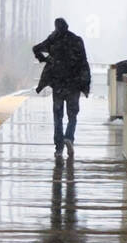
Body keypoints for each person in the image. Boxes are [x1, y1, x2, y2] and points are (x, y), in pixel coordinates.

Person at [32, 17, 91, 157]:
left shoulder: (53, 40)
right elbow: (84, 62)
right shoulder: (77, 40)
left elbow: (36, 49)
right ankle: (69, 138)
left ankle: (59, 148)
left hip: (58, 85)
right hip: (74, 85)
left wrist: (45, 59)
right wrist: (85, 83)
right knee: (73, 115)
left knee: (58, 116)